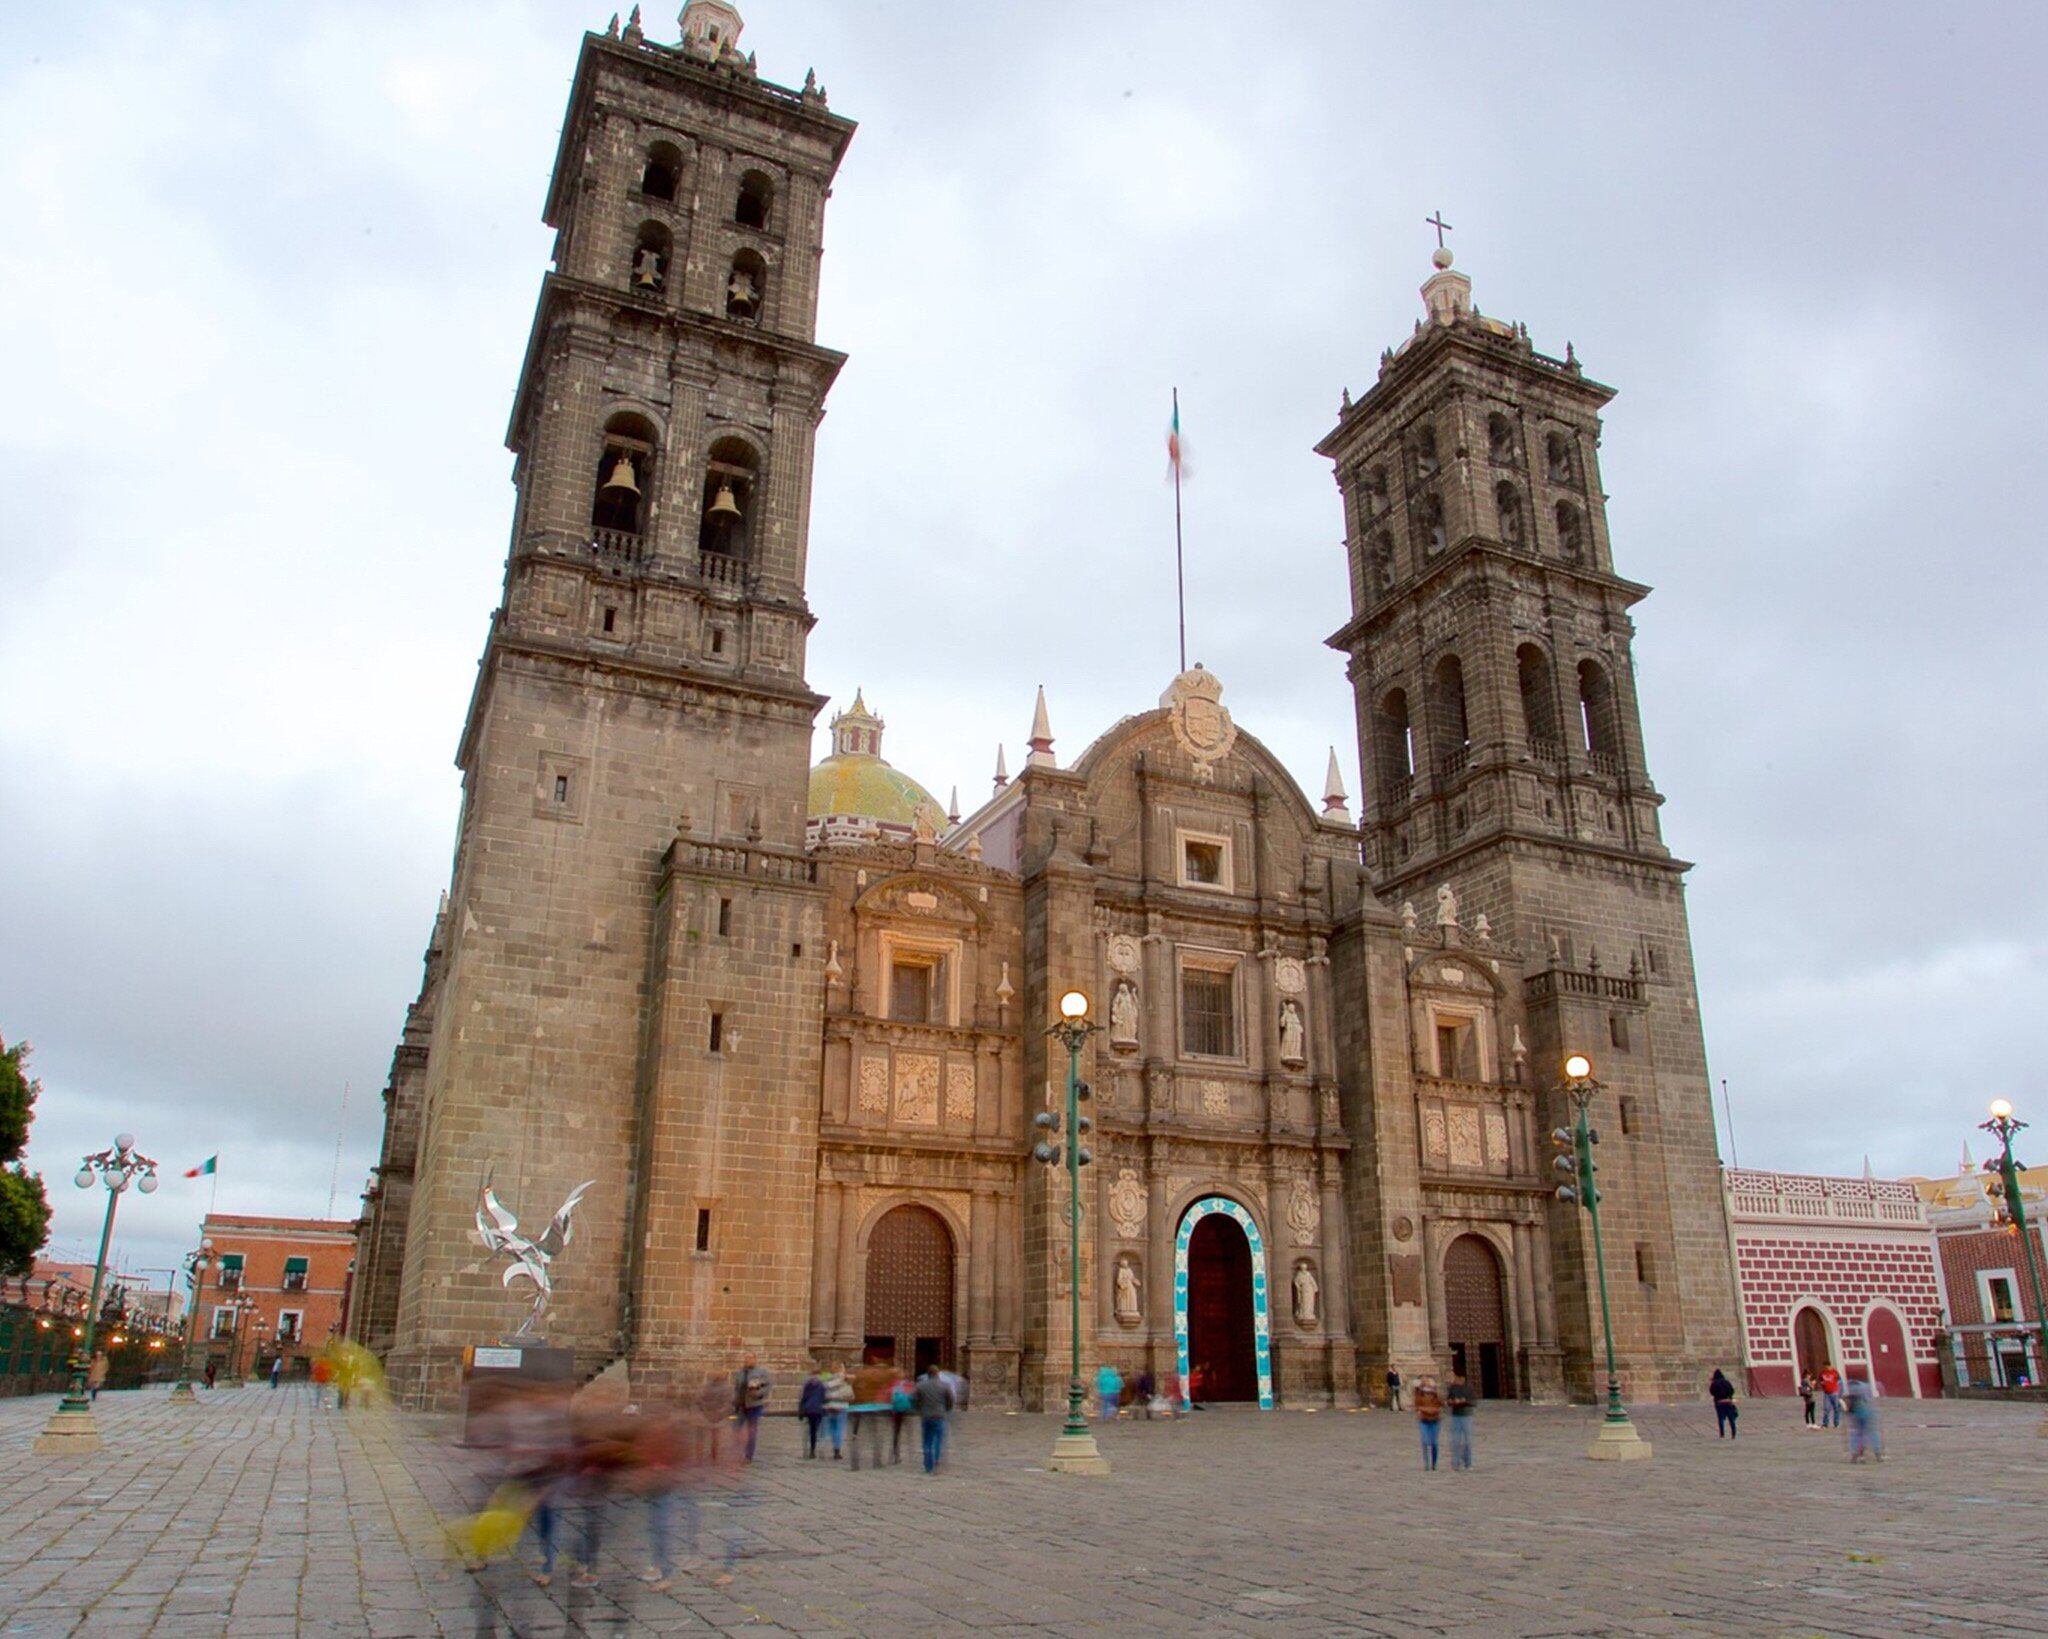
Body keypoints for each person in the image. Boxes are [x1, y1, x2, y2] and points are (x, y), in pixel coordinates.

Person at [912, 1363, 954, 1474]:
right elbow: (950, 1401)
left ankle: (928, 1464)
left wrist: (919, 1410)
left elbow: (915, 1400)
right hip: (939, 1415)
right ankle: (936, 1461)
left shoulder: (920, 1385)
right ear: (938, 1373)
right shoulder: (945, 1385)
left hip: (926, 1416)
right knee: (938, 1440)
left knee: (927, 1440)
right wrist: (946, 1410)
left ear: (928, 1374)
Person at [731, 1353, 771, 1462]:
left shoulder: (761, 1372)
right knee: (735, 1428)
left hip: (754, 1406)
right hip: (741, 1406)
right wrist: (734, 1401)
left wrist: (758, 1394)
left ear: (755, 1360)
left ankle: (748, 1455)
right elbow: (736, 1388)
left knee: (751, 1431)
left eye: (750, 1358)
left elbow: (767, 1387)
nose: (748, 1360)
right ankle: (737, 1452)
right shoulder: (740, 1373)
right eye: (746, 1358)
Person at [1843, 1375, 1883, 1463]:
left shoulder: (1850, 1387)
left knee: (1857, 1435)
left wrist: (1847, 1411)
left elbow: (1848, 1401)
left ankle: (1856, 1455)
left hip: (1857, 1413)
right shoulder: (1867, 1387)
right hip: (1869, 1413)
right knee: (1872, 1433)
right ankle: (1878, 1454)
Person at [1443, 1370, 1475, 1469]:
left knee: (1467, 1441)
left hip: (1466, 1416)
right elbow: (1448, 1400)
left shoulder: (1469, 1388)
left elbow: (1473, 1401)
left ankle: (1468, 1462)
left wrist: (1463, 1401)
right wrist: (1451, 1401)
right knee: (1455, 1441)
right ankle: (1455, 1463)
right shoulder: (1452, 1388)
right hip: (1456, 1416)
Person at [821, 1362, 852, 1459]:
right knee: (839, 1429)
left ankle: (824, 1447)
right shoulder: (845, 1379)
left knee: (831, 1428)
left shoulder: (825, 1379)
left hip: (829, 1406)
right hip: (841, 1406)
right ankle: (837, 1450)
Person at [1413, 1377, 1443, 1471]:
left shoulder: (1436, 1396)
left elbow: (1441, 1406)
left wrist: (1428, 1410)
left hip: (1435, 1420)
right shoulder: (1419, 1395)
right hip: (1424, 1420)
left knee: (1434, 1443)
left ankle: (1434, 1464)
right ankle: (1426, 1463)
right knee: (1425, 1442)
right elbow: (1417, 1407)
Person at [797, 1368, 826, 1459]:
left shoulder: (807, 1384)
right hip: (818, 1409)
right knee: (816, 1430)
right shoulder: (822, 1385)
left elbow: (803, 1398)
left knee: (811, 1430)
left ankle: (811, 1450)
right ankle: (814, 1449)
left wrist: (801, 1410)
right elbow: (824, 1398)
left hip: (809, 1409)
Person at [1709, 1368, 1739, 1438]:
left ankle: (1722, 1434)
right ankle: (1733, 1433)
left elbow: (1712, 1392)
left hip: (1719, 1402)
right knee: (1731, 1418)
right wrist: (1729, 1397)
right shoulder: (1727, 1382)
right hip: (1728, 1401)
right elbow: (1732, 1391)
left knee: (1721, 1418)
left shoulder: (1714, 1383)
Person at [1817, 1364, 1843, 1429]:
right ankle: (1825, 1424)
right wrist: (1822, 1385)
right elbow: (1820, 1380)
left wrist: (1839, 1391)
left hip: (1835, 1393)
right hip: (1826, 1394)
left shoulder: (1835, 1372)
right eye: (1825, 1367)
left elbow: (1840, 1382)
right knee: (1826, 1409)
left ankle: (1836, 1423)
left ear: (1830, 1366)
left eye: (1828, 1367)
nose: (1827, 1368)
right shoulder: (1822, 1373)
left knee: (1836, 1408)